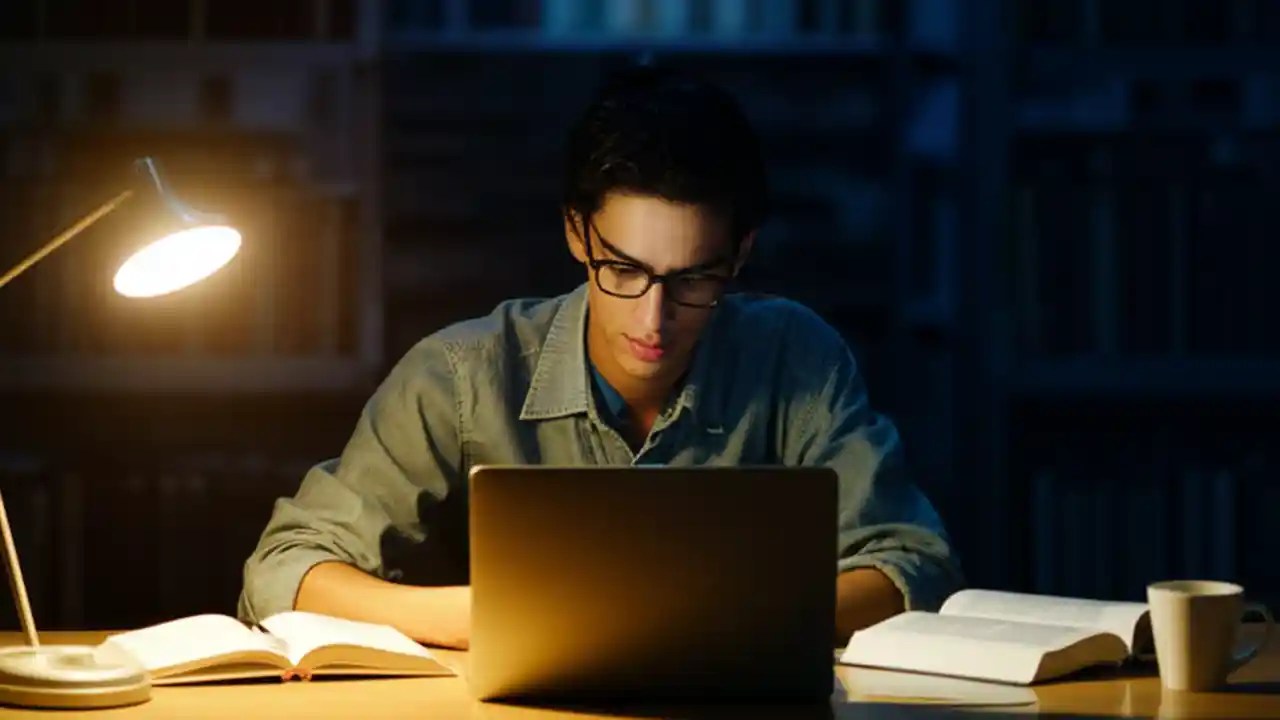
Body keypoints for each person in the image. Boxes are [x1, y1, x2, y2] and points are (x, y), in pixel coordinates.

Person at [239, 65, 962, 649]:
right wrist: (497, 617)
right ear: (578, 235)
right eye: (624, 271)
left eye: (695, 279)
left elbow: (912, 567)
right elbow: (283, 573)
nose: (656, 318)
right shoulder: (460, 375)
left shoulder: (796, 357)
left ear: (740, 253)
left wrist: (690, 623)